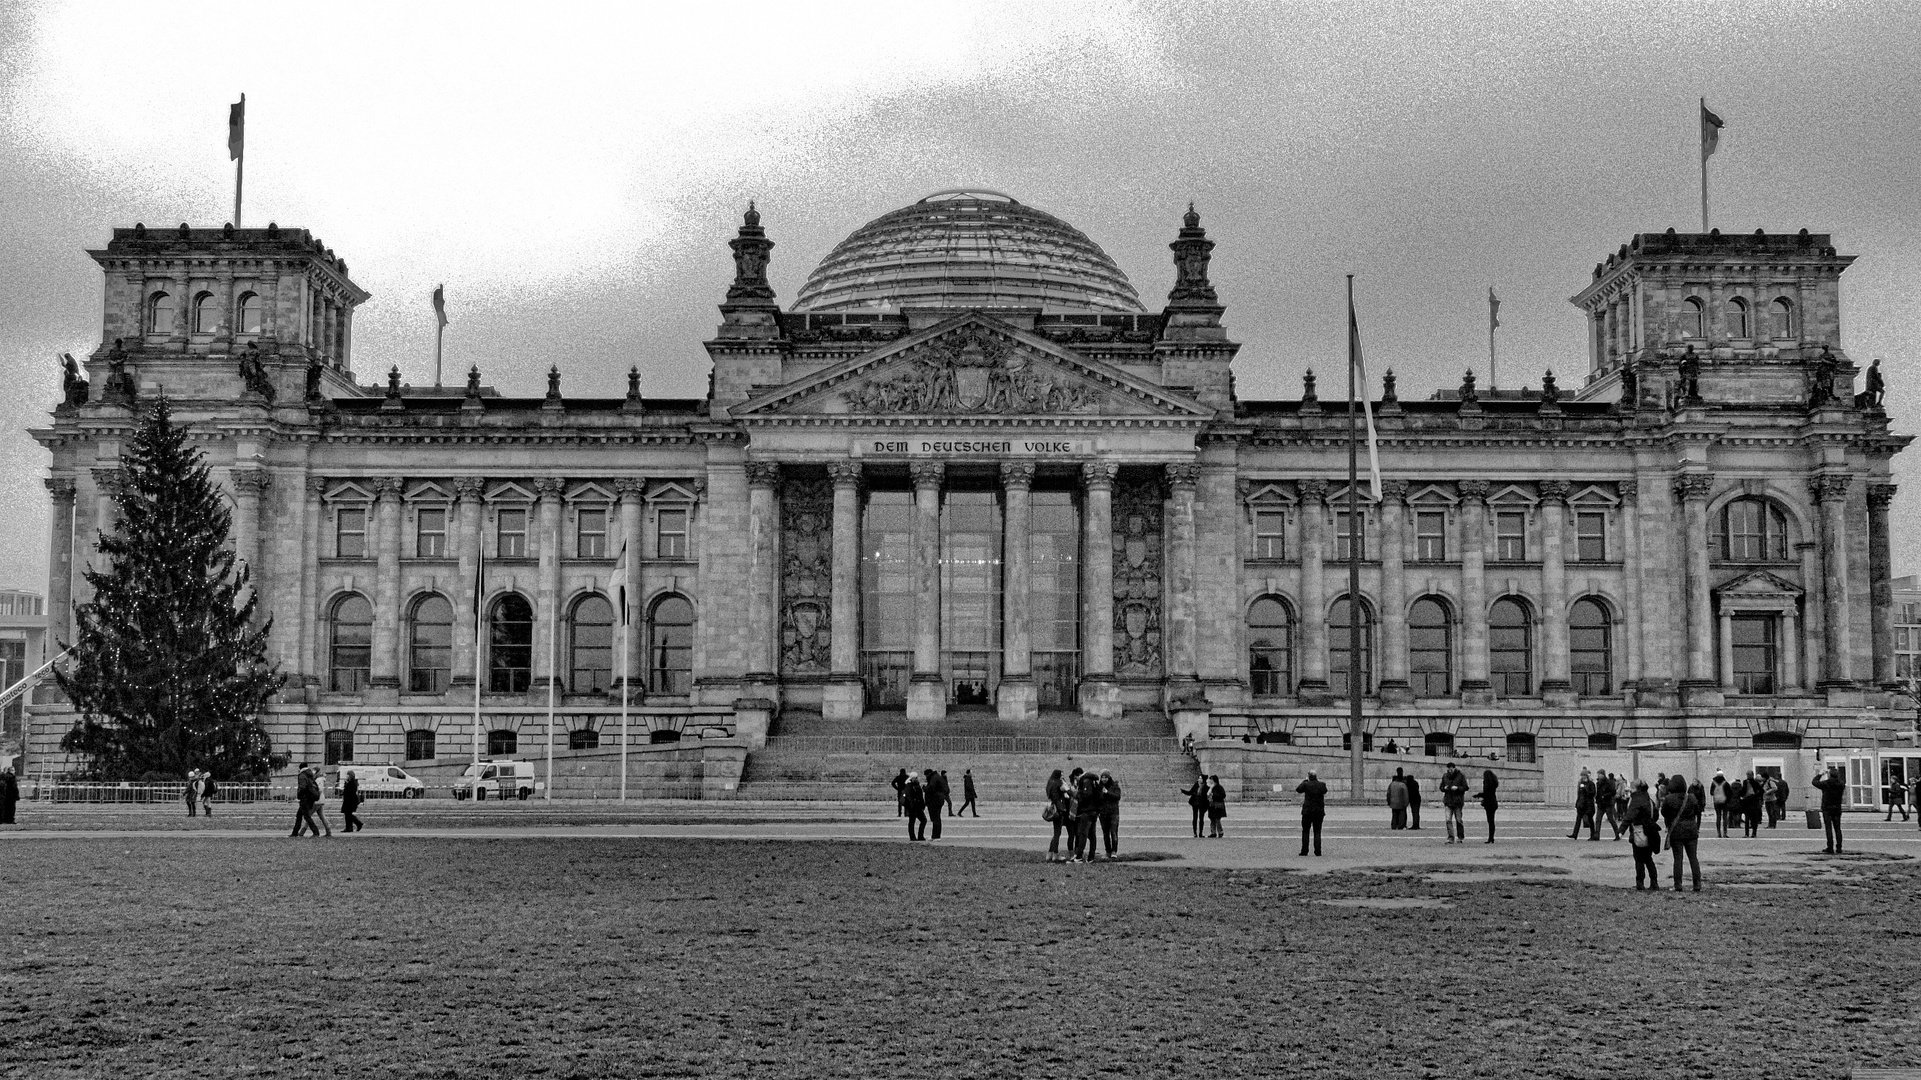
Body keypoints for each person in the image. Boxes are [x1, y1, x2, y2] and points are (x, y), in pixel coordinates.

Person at [1665, 775, 1704, 893]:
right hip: (1691, 830)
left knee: (1678, 859)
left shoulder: (1669, 799)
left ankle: (1678, 884)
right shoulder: (1691, 797)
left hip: (1676, 830)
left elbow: (1664, 812)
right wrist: (1696, 826)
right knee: (1693, 858)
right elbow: (1698, 811)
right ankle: (1697, 884)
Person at [1623, 779, 1661, 890]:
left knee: (1639, 859)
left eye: (1632, 787)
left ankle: (1640, 883)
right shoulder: (1649, 799)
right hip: (1650, 831)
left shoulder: (1635, 800)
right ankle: (1654, 882)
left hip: (1638, 831)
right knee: (1648, 858)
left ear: (1636, 789)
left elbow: (1629, 816)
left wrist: (1621, 830)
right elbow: (1656, 814)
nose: (1630, 789)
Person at [1812, 764, 1847, 854]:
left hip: (1827, 808)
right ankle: (1839, 847)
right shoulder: (1841, 784)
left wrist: (1820, 774)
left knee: (1828, 828)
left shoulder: (1826, 783)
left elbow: (1814, 782)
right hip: (1837, 807)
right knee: (1838, 828)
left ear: (1829, 775)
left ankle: (1830, 847)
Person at [290, 765, 329, 838]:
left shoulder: (303, 775)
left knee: (306, 816)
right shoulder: (310, 775)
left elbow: (303, 787)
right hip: (310, 799)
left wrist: (299, 795)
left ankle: (314, 832)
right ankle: (296, 832)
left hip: (305, 799)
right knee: (301, 815)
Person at [1296, 771, 1328, 856]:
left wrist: (1305, 781)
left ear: (1309, 776)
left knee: (1305, 831)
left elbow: (1298, 790)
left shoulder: (1306, 784)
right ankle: (1318, 851)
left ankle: (1304, 851)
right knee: (1317, 832)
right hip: (1319, 811)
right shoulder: (1322, 784)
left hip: (1307, 811)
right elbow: (1325, 791)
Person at [1440, 762, 1469, 844]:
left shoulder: (1460, 776)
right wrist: (1444, 788)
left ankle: (1460, 837)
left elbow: (1465, 787)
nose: (1450, 770)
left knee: (1458, 820)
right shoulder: (1445, 776)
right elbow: (1441, 787)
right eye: (1449, 768)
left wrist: (1457, 788)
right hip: (1448, 800)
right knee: (1448, 820)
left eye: (1451, 768)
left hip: (1457, 801)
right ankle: (1451, 837)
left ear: (1454, 768)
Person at [1045, 768, 1069, 862]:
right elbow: (1066, 788)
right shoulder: (1058, 783)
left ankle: (1049, 854)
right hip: (1058, 810)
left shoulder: (1050, 782)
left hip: (1053, 809)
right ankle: (1055, 854)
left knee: (1056, 833)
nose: (1062, 777)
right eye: (1061, 775)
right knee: (1057, 834)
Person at [1097, 771, 1122, 859]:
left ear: (1109, 778)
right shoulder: (1099, 787)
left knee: (1113, 832)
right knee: (1105, 834)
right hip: (1103, 813)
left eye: (1105, 777)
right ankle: (1108, 852)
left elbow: (1117, 797)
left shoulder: (1115, 786)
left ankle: (1114, 851)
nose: (1104, 779)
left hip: (1113, 813)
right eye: (1102, 777)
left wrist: (1107, 792)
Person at [1568, 769, 1596, 839]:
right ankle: (1575, 834)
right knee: (1578, 820)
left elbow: (1593, 793)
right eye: (1582, 775)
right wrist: (1577, 803)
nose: (1583, 777)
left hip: (1588, 804)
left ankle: (1592, 835)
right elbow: (1579, 795)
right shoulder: (1581, 783)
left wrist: (1586, 789)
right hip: (1581, 804)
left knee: (1590, 820)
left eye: (1584, 775)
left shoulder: (1591, 784)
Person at [1473, 769, 1499, 842]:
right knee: (1491, 821)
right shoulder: (1493, 784)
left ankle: (1491, 838)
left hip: (1489, 804)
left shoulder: (1488, 784)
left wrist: (1478, 795)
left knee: (1490, 821)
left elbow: (1486, 794)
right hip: (1493, 803)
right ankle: (1491, 837)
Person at [1740, 770, 1765, 838]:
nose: (1748, 776)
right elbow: (1743, 791)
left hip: (1754, 802)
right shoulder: (1745, 782)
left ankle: (1754, 833)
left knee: (1754, 819)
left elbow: (1762, 791)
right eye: (1747, 774)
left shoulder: (1755, 782)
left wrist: (1755, 796)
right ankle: (1747, 833)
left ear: (1752, 775)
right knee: (1747, 819)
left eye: (1749, 774)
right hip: (1747, 802)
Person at [903, 774, 927, 841]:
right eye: (916, 777)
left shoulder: (916, 785)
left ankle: (920, 836)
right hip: (913, 806)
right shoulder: (909, 785)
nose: (917, 778)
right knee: (912, 821)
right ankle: (913, 837)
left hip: (918, 806)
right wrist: (912, 804)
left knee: (923, 820)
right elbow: (909, 796)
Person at [923, 769, 946, 840]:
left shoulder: (933, 778)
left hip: (934, 800)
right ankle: (936, 835)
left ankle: (936, 836)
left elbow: (931, 788)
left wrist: (924, 788)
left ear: (928, 774)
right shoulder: (937, 777)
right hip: (938, 800)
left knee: (935, 819)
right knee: (937, 818)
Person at [340, 769, 364, 834]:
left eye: (347, 775)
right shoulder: (351, 782)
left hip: (350, 800)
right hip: (349, 800)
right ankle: (349, 827)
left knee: (348, 814)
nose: (346, 776)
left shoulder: (352, 782)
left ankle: (357, 824)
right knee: (348, 814)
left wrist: (345, 786)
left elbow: (349, 791)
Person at [1595, 771, 1617, 840]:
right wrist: (1597, 799)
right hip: (1600, 804)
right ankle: (1597, 836)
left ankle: (1617, 834)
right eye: (1598, 774)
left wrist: (1605, 796)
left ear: (1603, 775)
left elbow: (1613, 792)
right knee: (1598, 820)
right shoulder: (1598, 783)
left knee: (1611, 819)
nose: (1598, 776)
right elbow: (1598, 793)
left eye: (1600, 774)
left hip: (1608, 803)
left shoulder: (1609, 782)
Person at [1710, 771, 1730, 838]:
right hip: (1725, 802)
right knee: (1725, 817)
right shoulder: (1725, 783)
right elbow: (1729, 793)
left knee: (1718, 817)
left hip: (1716, 802)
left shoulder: (1713, 783)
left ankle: (1719, 833)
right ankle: (1725, 832)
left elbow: (1711, 793)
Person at [1206, 775, 1227, 839]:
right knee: (1212, 819)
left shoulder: (1219, 787)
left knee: (1217, 820)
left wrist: (1214, 795)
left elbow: (1223, 795)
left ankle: (1220, 832)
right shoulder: (1210, 787)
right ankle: (1213, 832)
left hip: (1217, 806)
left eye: (1211, 779)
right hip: (1212, 805)